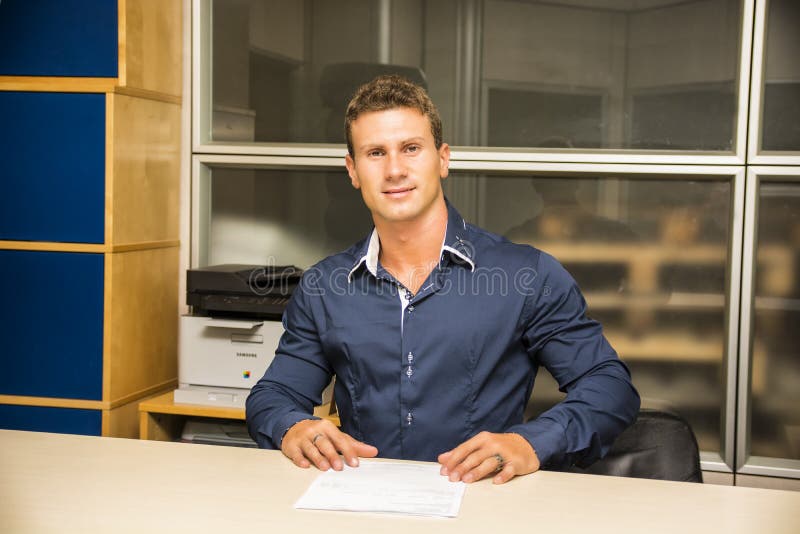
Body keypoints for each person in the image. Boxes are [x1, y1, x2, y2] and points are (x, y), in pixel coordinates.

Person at [246, 75, 640, 485]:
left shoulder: (527, 276)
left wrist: (531, 443)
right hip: (363, 507)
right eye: (376, 153)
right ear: (353, 170)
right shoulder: (324, 287)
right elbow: (273, 396)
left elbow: (609, 388)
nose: (395, 169)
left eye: (411, 148)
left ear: (443, 158)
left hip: (484, 506)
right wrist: (293, 426)